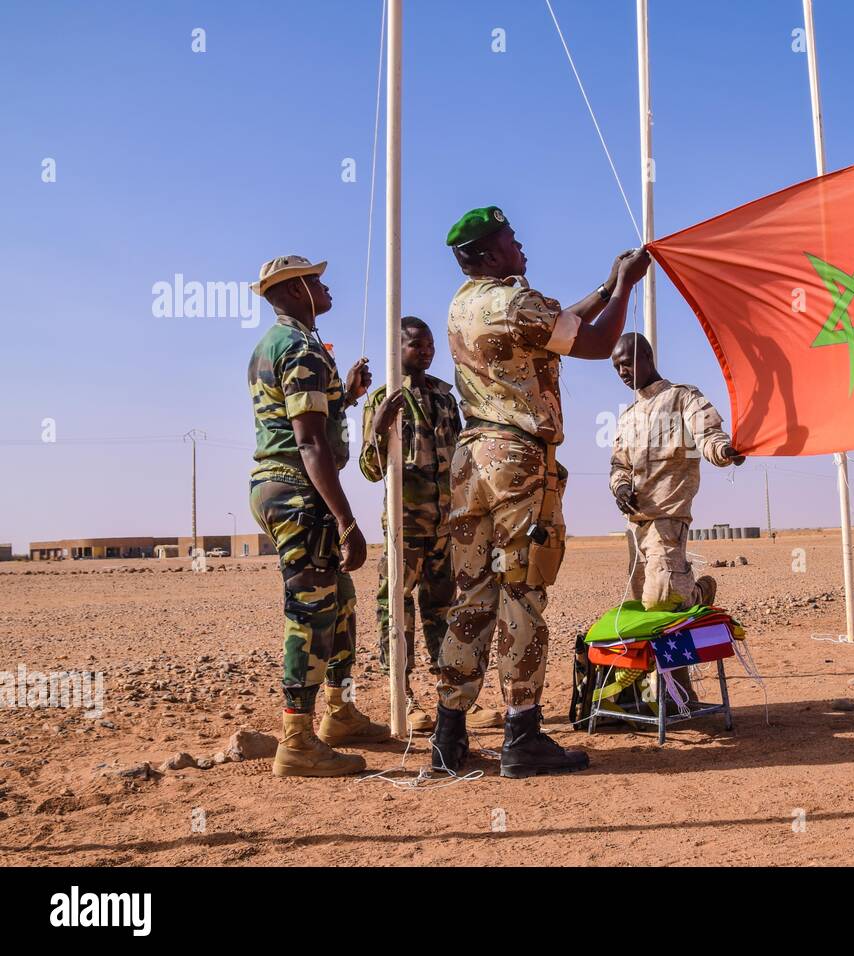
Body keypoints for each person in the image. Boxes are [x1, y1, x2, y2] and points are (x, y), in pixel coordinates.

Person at [433, 206, 650, 778]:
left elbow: (557, 327)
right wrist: (625, 290)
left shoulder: (465, 303)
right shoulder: (516, 301)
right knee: (522, 591)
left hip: (472, 459)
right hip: (518, 461)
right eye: (509, 239)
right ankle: (521, 735)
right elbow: (598, 343)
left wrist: (605, 285)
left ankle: (447, 738)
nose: (520, 244)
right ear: (486, 254)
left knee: (471, 596)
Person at [247, 255, 390, 778]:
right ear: (289, 292)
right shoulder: (301, 348)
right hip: (296, 491)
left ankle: (340, 712)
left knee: (341, 603)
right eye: (313, 281)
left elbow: (309, 423)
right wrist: (347, 521)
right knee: (309, 613)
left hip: (282, 487)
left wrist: (347, 398)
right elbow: (308, 443)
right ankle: (297, 740)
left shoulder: (279, 346)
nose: (324, 286)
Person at [359, 315, 502, 734]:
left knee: (444, 613)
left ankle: (452, 701)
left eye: (429, 345)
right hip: (405, 528)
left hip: (447, 527)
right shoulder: (384, 397)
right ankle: (400, 701)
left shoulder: (444, 395)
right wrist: (380, 426)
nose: (426, 351)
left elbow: (463, 458)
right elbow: (370, 469)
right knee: (397, 613)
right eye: (416, 345)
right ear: (396, 347)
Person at [608, 331, 744, 610]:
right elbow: (619, 465)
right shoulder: (627, 417)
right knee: (643, 605)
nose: (622, 372)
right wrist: (620, 488)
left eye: (627, 363)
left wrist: (725, 451)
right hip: (635, 526)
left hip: (668, 518)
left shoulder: (682, 398)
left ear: (647, 356)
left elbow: (709, 435)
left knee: (661, 599)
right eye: (617, 367)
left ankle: (698, 593)